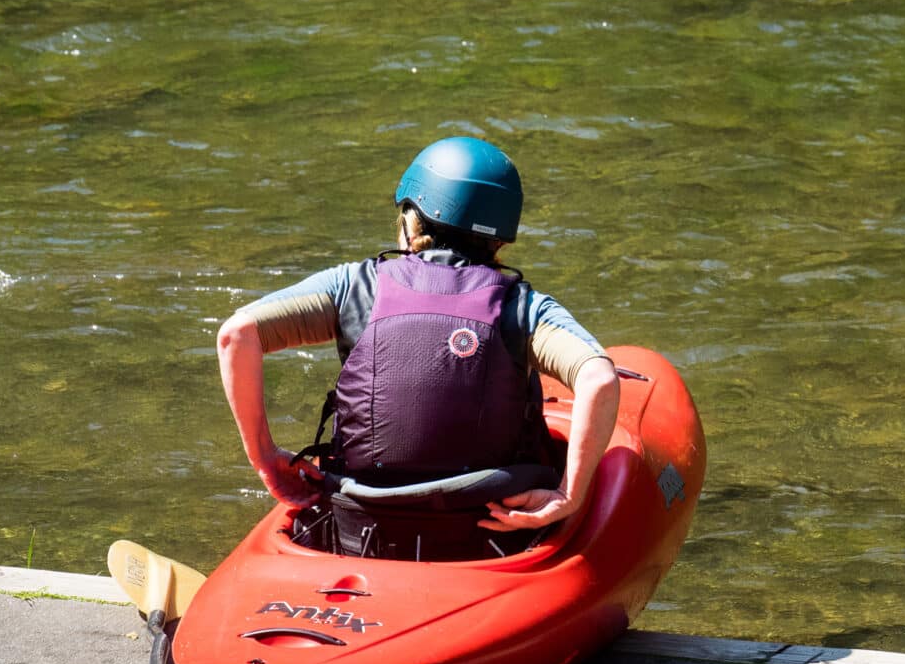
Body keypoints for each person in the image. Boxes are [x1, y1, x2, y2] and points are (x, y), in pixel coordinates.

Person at [215, 136, 619, 546]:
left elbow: (236, 335)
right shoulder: (522, 307)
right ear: (500, 239)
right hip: (487, 539)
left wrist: (265, 457)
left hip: (359, 533)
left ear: (413, 219)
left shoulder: (355, 287)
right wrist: (570, 495)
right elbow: (599, 380)